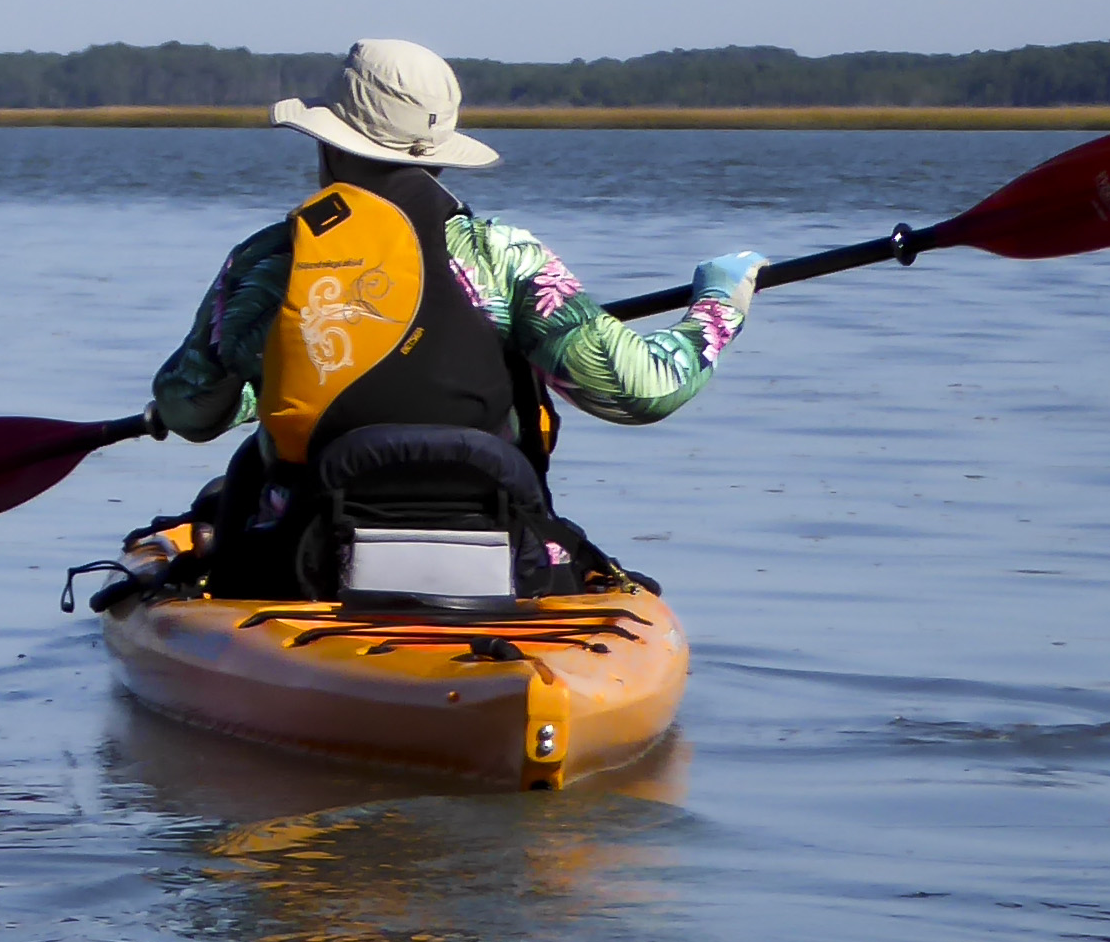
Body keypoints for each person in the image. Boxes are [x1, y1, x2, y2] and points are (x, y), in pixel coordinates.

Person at [143, 39, 763, 600]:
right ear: (440, 153)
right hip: (500, 556)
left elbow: (191, 411)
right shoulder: (506, 258)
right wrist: (718, 306)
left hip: (300, 566)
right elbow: (641, 391)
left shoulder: (270, 263)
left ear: (328, 141)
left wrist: (258, 385)